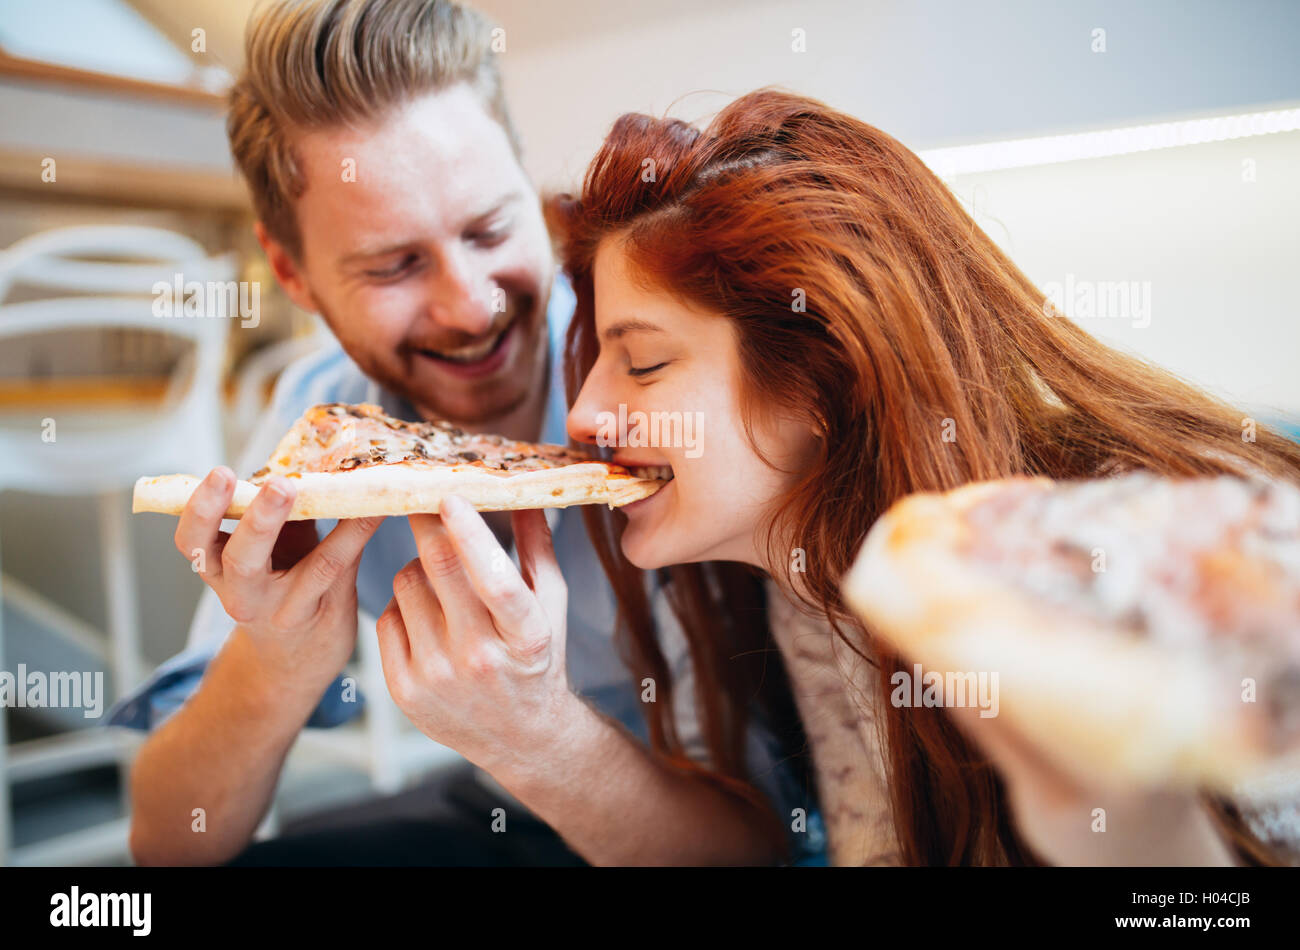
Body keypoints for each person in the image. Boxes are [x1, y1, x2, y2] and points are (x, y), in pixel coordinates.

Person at [110, 0, 815, 867]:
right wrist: (278, 660)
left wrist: (541, 734)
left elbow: (762, 852)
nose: (469, 304)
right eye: (394, 265)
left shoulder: (665, 386)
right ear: (290, 271)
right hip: (499, 805)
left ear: (530, 187)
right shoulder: (327, 419)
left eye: (489, 228)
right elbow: (166, 843)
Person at [550, 88, 1300, 865]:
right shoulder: (797, 585)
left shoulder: (1140, 557)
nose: (585, 412)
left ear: (821, 375)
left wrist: (1142, 844)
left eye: (644, 361)